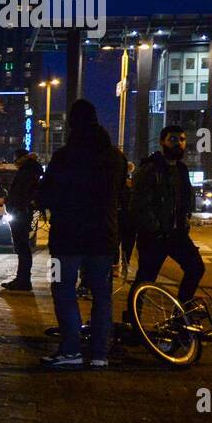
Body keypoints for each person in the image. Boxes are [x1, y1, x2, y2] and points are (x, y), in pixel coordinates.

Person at [35, 99, 129, 370]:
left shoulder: (64, 156)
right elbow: (123, 196)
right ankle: (100, 354)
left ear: (72, 124)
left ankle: (71, 349)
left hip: (66, 238)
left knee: (62, 289)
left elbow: (46, 194)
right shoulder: (115, 158)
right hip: (103, 238)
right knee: (102, 295)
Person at [129, 126, 205, 308]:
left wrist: (185, 218)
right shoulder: (150, 169)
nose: (178, 143)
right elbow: (139, 204)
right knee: (145, 279)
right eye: (173, 139)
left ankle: (182, 314)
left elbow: (185, 198)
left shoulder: (181, 170)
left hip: (176, 234)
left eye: (181, 139)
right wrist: (154, 228)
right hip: (154, 237)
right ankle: (133, 320)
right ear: (162, 142)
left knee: (196, 268)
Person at [1, 147, 42, 292]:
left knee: (22, 247)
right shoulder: (30, 170)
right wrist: (9, 200)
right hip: (21, 212)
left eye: (15, 159)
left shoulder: (26, 172)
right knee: (22, 247)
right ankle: (22, 279)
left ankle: (23, 281)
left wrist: (13, 203)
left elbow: (22, 195)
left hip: (21, 214)